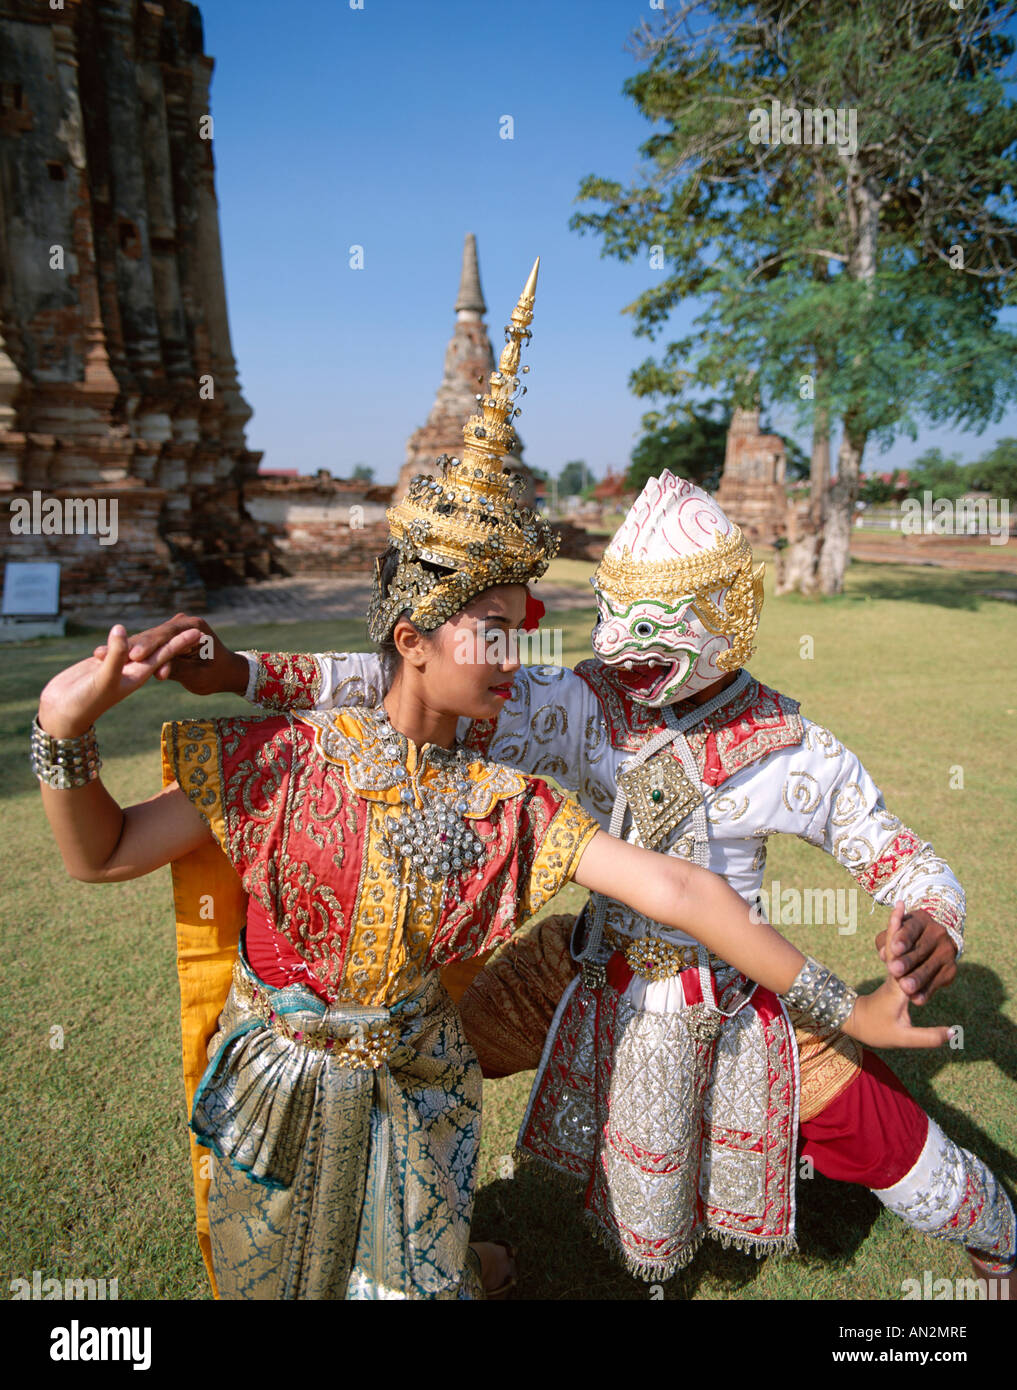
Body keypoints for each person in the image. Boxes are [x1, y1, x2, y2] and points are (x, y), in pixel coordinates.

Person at [35, 268, 946, 1303]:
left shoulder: (505, 803)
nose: (522, 650)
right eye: (496, 626)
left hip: (421, 1085)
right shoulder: (281, 761)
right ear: (414, 638)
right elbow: (99, 851)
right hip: (281, 1079)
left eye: (524, 623)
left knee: (411, 1280)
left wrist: (847, 1013)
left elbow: (687, 893)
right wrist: (62, 729)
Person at [127, 473, 1015, 1293]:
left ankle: (996, 1232)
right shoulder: (584, 702)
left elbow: (890, 848)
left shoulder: (787, 745)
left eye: (652, 622)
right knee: (409, 1068)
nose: (621, 647)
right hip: (581, 962)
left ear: (721, 613)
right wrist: (245, 672)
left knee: (883, 1138)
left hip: (732, 986)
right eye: (612, 616)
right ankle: (411, 1248)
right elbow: (407, 673)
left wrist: (929, 913)